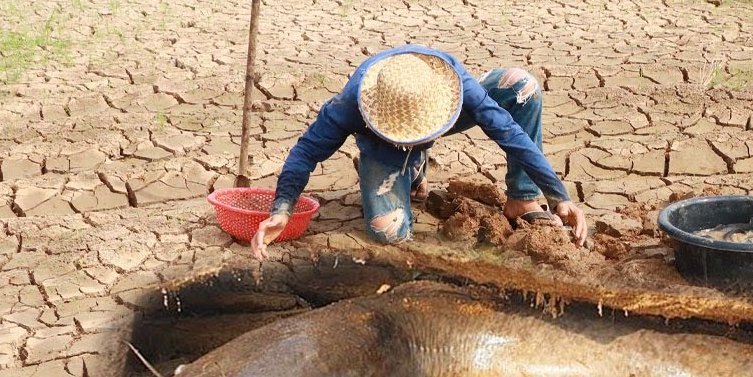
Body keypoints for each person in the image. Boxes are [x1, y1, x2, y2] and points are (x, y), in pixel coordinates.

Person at [250, 44, 588, 259]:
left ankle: (522, 196)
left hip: (435, 110)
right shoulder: (351, 104)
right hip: (384, 145)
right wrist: (282, 208)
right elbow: (306, 151)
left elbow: (508, 131)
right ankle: (397, 169)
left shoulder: (454, 84)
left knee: (521, 86)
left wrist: (557, 195)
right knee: (388, 231)